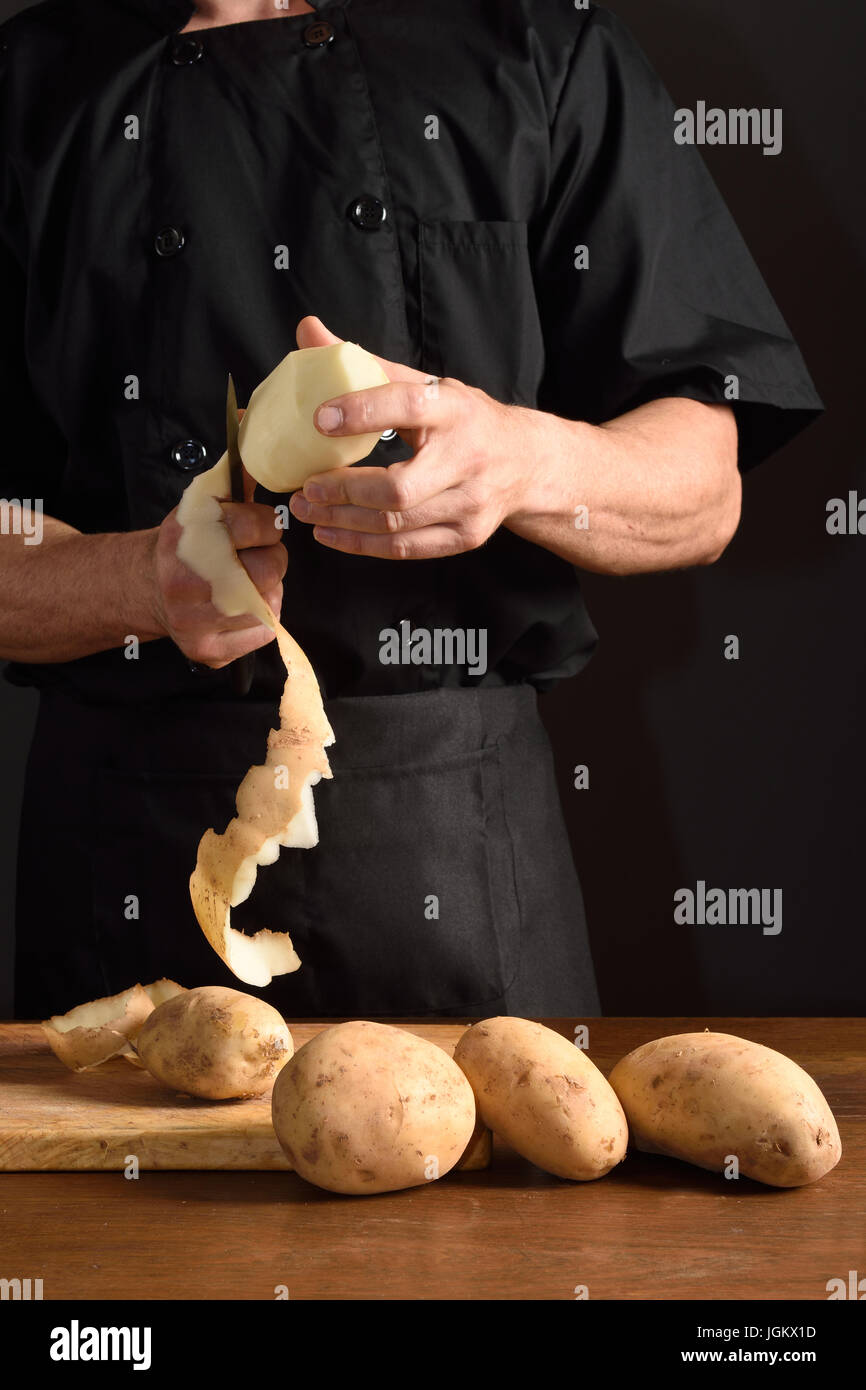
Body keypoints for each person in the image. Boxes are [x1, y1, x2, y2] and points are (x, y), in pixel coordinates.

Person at [0, 0, 821, 1019]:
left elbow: (703, 489)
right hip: (122, 864)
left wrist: (524, 461)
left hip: (455, 841)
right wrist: (136, 581)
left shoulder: (537, 47)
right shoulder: (26, 83)